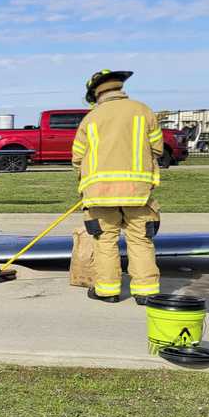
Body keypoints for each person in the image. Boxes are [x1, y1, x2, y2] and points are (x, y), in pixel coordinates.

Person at [72, 70, 162, 305]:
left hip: (99, 194)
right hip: (138, 193)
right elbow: (157, 149)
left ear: (95, 93)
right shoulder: (143, 111)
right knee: (141, 240)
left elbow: (77, 158)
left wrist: (84, 185)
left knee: (105, 241)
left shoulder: (91, 119)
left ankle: (107, 291)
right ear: (119, 88)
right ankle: (146, 292)